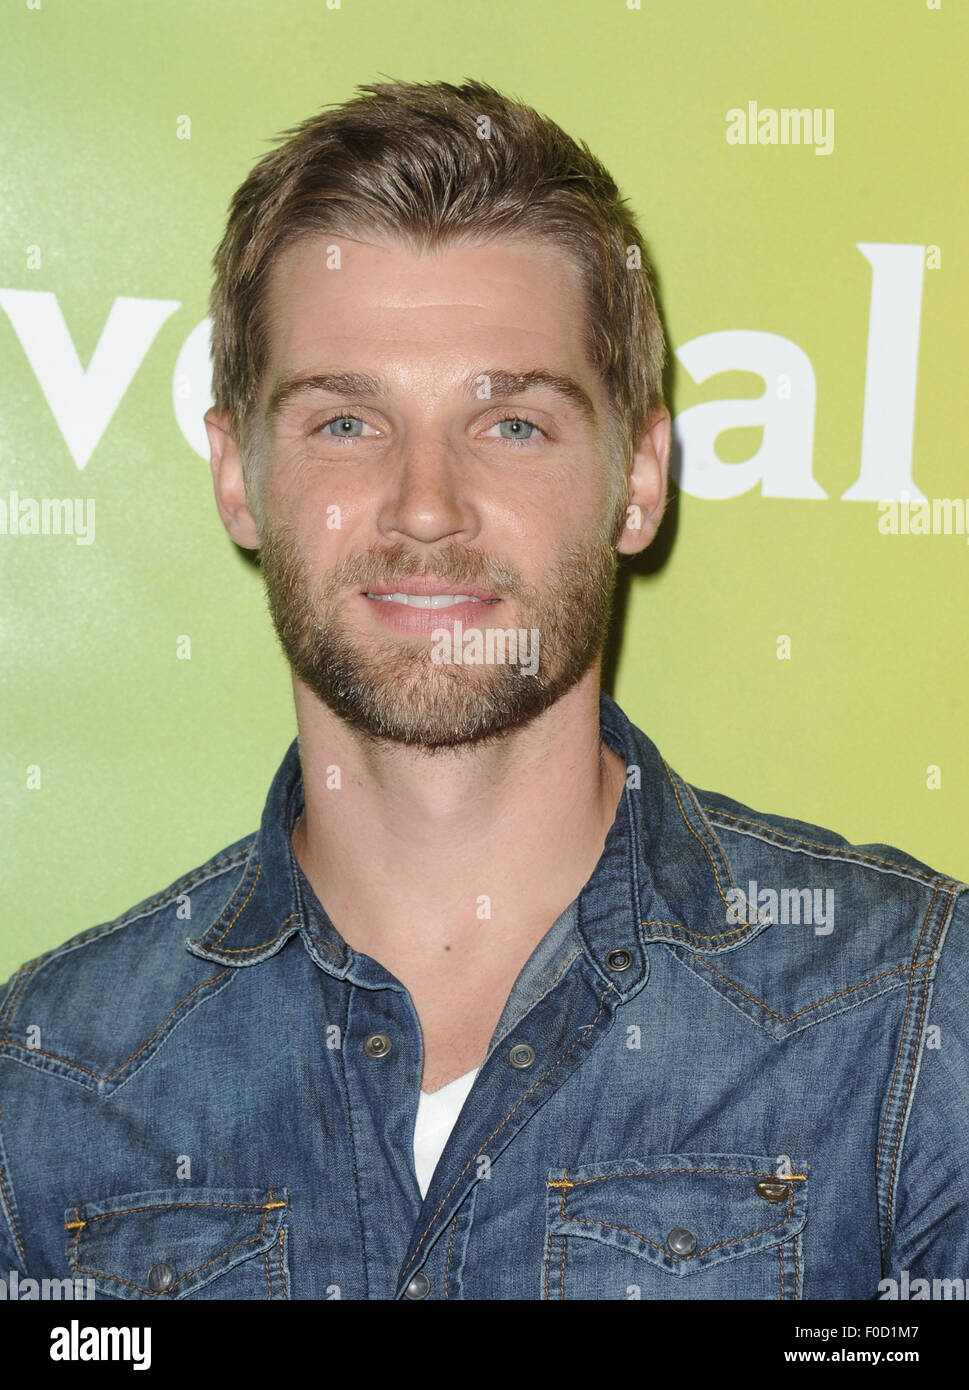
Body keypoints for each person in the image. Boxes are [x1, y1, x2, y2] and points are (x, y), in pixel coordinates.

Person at [1, 78, 965, 1302]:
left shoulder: (907, 1019)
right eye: (346, 422)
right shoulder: (50, 1078)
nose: (425, 505)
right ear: (237, 475)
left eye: (511, 423)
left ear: (640, 479)